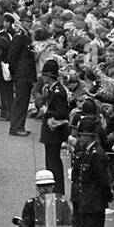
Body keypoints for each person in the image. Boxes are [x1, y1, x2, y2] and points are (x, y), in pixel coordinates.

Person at [71, 118, 111, 227]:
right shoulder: (88, 152)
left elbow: (103, 180)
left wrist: (104, 198)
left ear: (89, 136)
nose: (79, 138)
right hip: (87, 201)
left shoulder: (96, 154)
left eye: (81, 135)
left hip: (94, 202)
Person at [39, 59, 71, 193]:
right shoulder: (52, 89)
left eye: (43, 75)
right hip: (51, 133)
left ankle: (58, 190)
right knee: (51, 162)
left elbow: (62, 112)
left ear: (48, 76)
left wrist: (47, 112)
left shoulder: (58, 92)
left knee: (54, 163)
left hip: (54, 133)